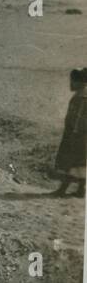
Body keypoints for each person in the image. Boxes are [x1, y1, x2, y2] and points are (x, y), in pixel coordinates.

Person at [54, 69, 87, 198]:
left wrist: (75, 132)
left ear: (80, 82)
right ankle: (80, 190)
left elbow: (79, 118)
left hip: (77, 135)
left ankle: (63, 189)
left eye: (73, 81)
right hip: (79, 134)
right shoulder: (81, 94)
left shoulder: (82, 97)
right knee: (80, 162)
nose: (70, 84)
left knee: (72, 162)